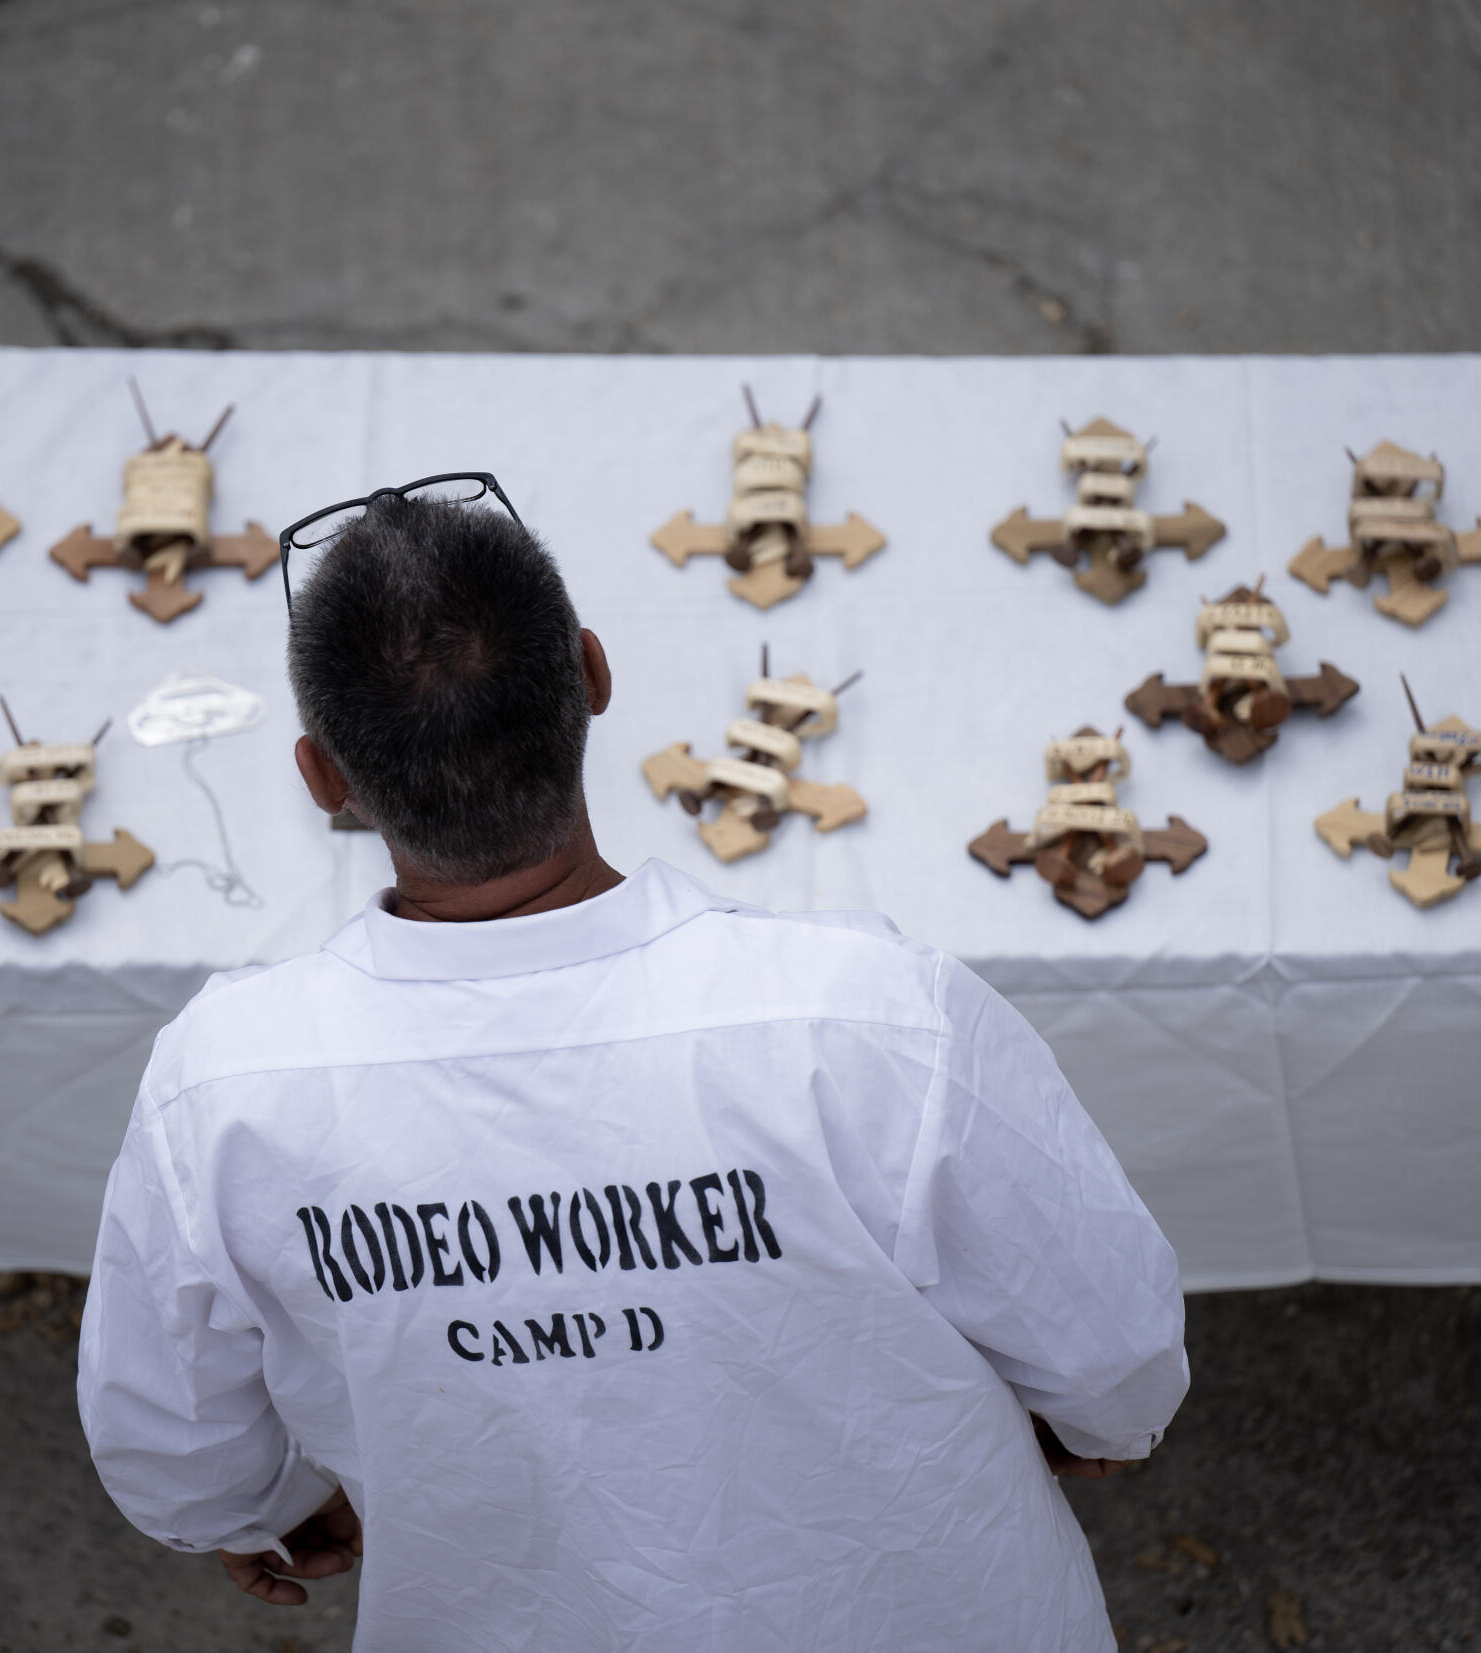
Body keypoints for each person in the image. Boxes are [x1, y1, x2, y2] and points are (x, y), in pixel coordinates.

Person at [76, 487, 1188, 1650]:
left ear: (321, 777)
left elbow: (175, 1453)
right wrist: (1090, 1417)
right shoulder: (868, 1019)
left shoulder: (225, 1088)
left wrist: (268, 1512)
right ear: (592, 676)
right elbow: (1117, 1354)